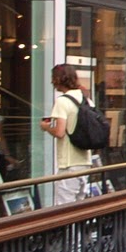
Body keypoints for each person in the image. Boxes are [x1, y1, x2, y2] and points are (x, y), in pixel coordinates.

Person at [41, 62, 92, 205]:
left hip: (69, 163)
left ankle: (69, 229)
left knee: (64, 206)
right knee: (79, 205)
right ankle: (78, 228)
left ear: (58, 80)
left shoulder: (63, 101)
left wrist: (45, 127)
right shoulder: (85, 99)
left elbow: (59, 132)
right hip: (84, 161)